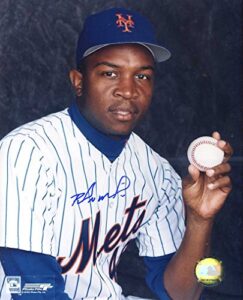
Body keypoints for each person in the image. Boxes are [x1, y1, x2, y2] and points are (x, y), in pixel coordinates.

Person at [0, 7, 232, 300]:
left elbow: (180, 294)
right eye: (110, 73)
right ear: (78, 81)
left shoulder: (156, 172)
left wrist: (200, 219)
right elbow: (29, 287)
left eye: (143, 76)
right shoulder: (27, 152)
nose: (128, 90)